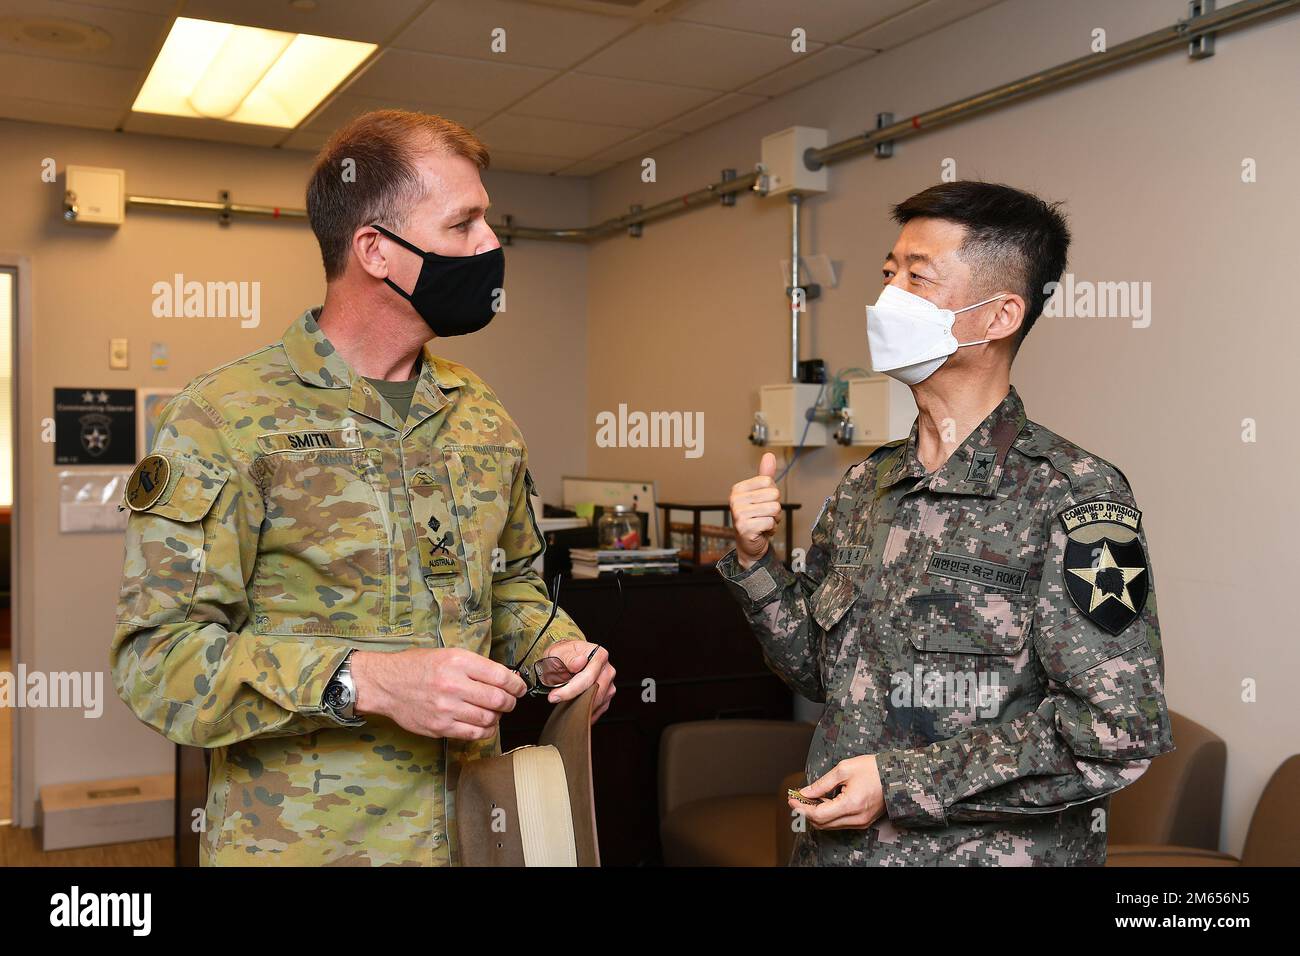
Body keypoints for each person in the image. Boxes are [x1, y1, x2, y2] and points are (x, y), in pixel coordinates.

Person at [111, 109, 615, 866]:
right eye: (464, 223)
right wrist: (365, 682)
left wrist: (555, 651)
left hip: (481, 836)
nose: (490, 246)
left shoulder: (480, 414)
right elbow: (158, 664)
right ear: (376, 251)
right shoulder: (223, 420)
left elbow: (508, 585)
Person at [719, 181, 1173, 866]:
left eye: (917, 276)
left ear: (998, 317)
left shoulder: (1076, 497)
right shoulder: (865, 486)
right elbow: (821, 674)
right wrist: (754, 560)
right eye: (887, 274)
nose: (888, 298)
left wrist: (900, 784)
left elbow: (1116, 732)